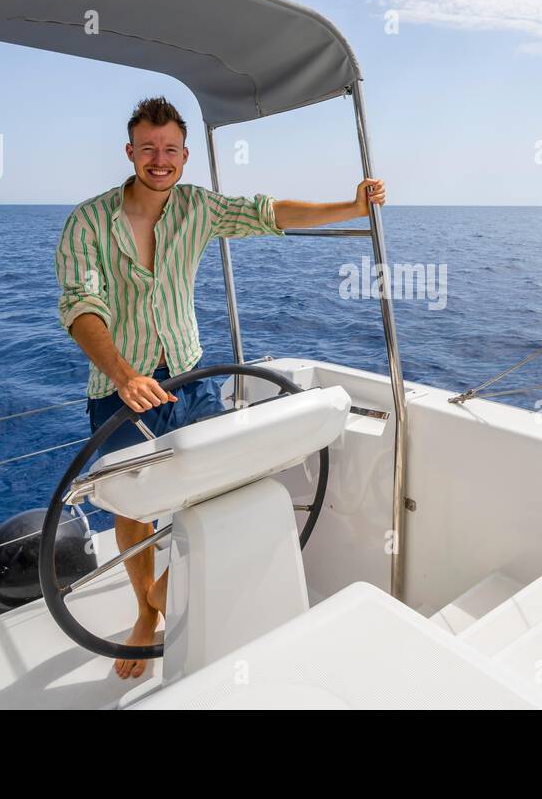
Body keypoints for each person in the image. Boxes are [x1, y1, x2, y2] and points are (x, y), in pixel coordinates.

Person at [55, 95, 386, 679]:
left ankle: (177, 590)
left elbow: (269, 213)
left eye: (171, 150)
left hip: (188, 378)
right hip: (120, 390)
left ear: (184, 156)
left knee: (211, 489)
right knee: (132, 507)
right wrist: (124, 375)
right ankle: (148, 611)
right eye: (149, 149)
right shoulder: (88, 221)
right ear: (130, 152)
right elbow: (83, 307)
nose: (160, 159)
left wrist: (351, 206)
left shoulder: (197, 209)